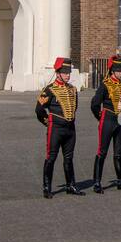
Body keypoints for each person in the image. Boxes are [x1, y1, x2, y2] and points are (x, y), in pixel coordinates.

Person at [35, 58, 84, 198]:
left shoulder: (72, 89)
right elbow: (39, 110)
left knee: (69, 158)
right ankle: (46, 187)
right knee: (51, 157)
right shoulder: (49, 90)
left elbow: (75, 107)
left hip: (70, 129)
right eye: (64, 72)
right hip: (55, 129)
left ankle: (71, 185)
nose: (67, 75)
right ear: (58, 73)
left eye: (68, 72)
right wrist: (48, 122)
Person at [90, 56, 121, 193]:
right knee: (102, 151)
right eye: (118, 70)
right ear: (112, 71)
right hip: (107, 119)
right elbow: (95, 104)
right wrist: (100, 117)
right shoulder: (105, 85)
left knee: (119, 152)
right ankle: (97, 182)